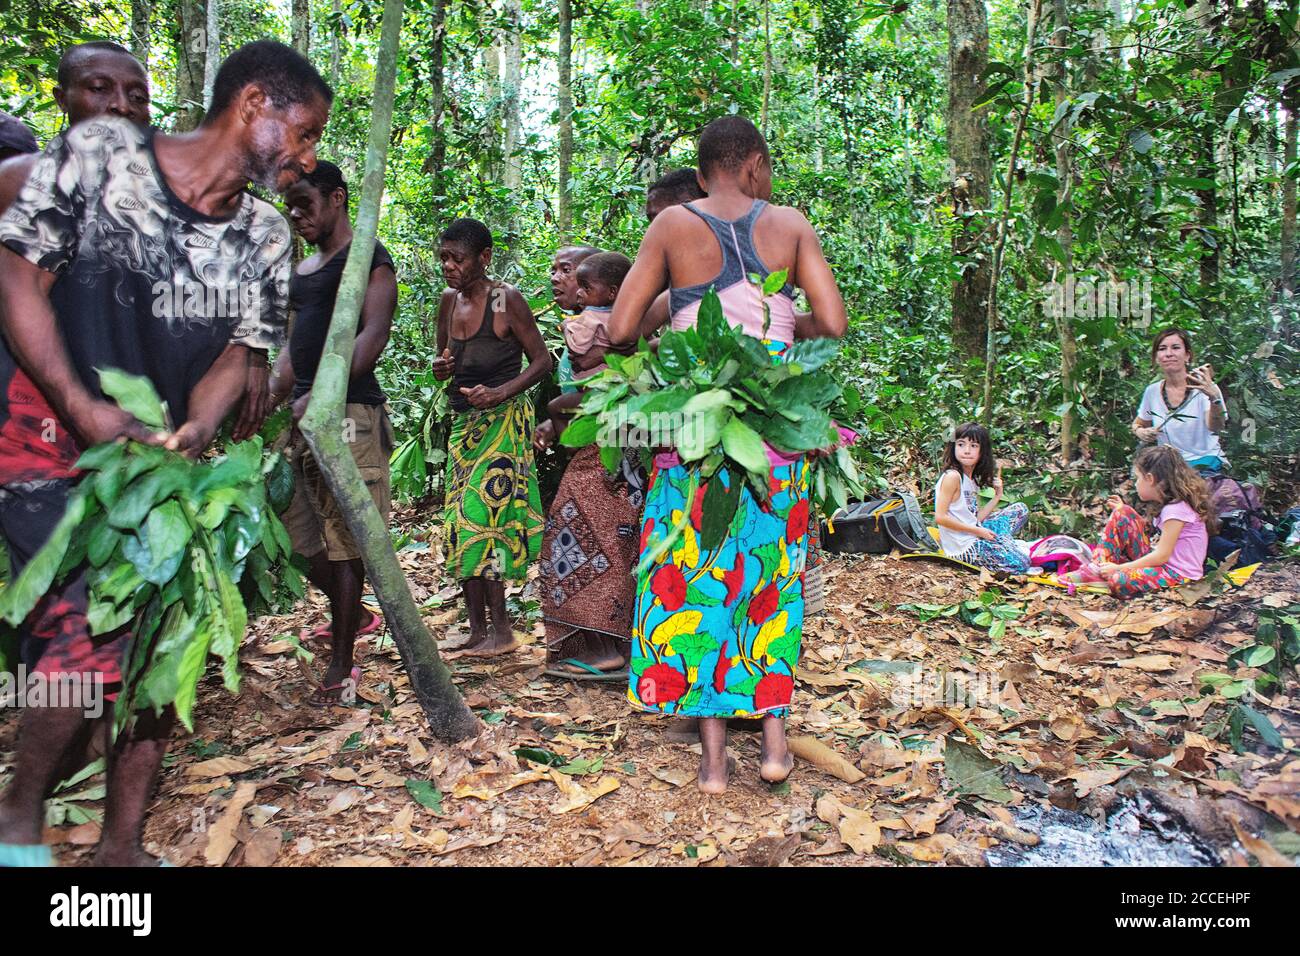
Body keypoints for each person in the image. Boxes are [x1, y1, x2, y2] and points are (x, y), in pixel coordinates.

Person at [0, 39, 330, 867]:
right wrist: (81, 406)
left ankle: (121, 847)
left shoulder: (262, 234)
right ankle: (18, 820)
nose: (306, 157)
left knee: (162, 634)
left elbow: (239, 357)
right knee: (86, 629)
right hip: (45, 438)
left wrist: (196, 429)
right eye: (304, 133)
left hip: (160, 461)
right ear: (254, 106)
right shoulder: (103, 155)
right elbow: (15, 279)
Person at [607, 115, 847, 794]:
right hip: (772, 432)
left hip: (694, 431)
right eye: (766, 171)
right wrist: (776, 321)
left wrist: (682, 318)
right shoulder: (790, 225)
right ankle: (773, 750)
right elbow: (831, 324)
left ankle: (713, 765)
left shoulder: (671, 227)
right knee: (769, 581)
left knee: (700, 576)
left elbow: (621, 330)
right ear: (751, 165)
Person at [260, 161, 396, 705]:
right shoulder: (305, 270)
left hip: (351, 414)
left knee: (346, 541)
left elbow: (375, 331)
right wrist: (266, 396)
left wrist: (327, 394)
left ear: (337, 198)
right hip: (298, 416)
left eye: (304, 205)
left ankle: (343, 664)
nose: (295, 216)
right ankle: (355, 615)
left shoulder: (367, 258)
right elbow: (294, 349)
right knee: (293, 534)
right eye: (288, 207)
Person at [431, 218, 551, 659]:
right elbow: (442, 362)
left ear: (483, 258)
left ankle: (503, 631)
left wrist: (501, 391)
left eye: (457, 259)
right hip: (464, 426)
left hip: (503, 423)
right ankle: (478, 630)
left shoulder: (505, 299)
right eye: (443, 257)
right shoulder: (447, 301)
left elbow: (542, 360)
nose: (448, 267)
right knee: (461, 525)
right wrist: (441, 370)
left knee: (489, 522)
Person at [536, 252, 642, 678]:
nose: (562, 281)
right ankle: (605, 643)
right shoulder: (605, 323)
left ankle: (607, 648)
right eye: (559, 271)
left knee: (589, 541)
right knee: (597, 542)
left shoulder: (610, 326)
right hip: (599, 448)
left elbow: (598, 375)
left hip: (609, 452)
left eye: (574, 275)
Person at [0, 43, 150, 211]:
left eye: (138, 97)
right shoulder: (17, 184)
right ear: (62, 99)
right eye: (99, 88)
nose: (123, 106)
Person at [1059, 445, 1214, 598]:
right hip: (1163, 566)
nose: (1135, 484)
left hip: (1179, 576)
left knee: (1118, 580)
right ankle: (1096, 568)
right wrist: (1122, 512)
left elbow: (1162, 556)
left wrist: (1120, 568)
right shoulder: (1171, 506)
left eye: (1138, 478)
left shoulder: (1176, 510)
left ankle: (1103, 572)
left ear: (1150, 479)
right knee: (1123, 512)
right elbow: (1148, 535)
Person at [934, 422, 1030, 574]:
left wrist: (997, 496)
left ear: (982, 451)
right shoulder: (952, 477)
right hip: (965, 549)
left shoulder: (971, 480)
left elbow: (974, 518)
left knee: (1020, 509)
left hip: (975, 533)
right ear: (953, 448)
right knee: (1021, 563)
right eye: (961, 444)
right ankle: (1005, 544)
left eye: (973, 446)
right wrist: (979, 532)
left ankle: (1004, 543)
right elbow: (940, 518)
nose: (966, 451)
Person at [1132, 328, 1228, 473]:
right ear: (1157, 358)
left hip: (1205, 462)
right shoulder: (1152, 391)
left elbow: (1216, 427)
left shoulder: (1204, 388)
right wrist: (1141, 432)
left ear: (1187, 356)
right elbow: (1138, 423)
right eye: (1162, 349)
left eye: (1176, 348)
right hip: (1169, 466)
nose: (1169, 354)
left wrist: (1214, 397)